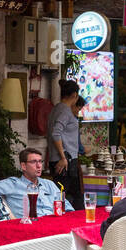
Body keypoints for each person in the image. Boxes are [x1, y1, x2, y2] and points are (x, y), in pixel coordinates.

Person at [0, 147, 62, 218]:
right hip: (30, 225)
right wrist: (4, 212)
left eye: (40, 161)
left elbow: (67, 208)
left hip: (54, 223)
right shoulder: (13, 184)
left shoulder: (49, 184)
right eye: (33, 162)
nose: (39, 166)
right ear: (23, 166)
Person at [47, 80, 83, 209]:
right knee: (64, 196)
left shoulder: (56, 109)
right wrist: (63, 157)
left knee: (70, 194)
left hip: (61, 158)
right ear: (74, 95)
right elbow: (55, 133)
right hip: (65, 160)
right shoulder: (65, 111)